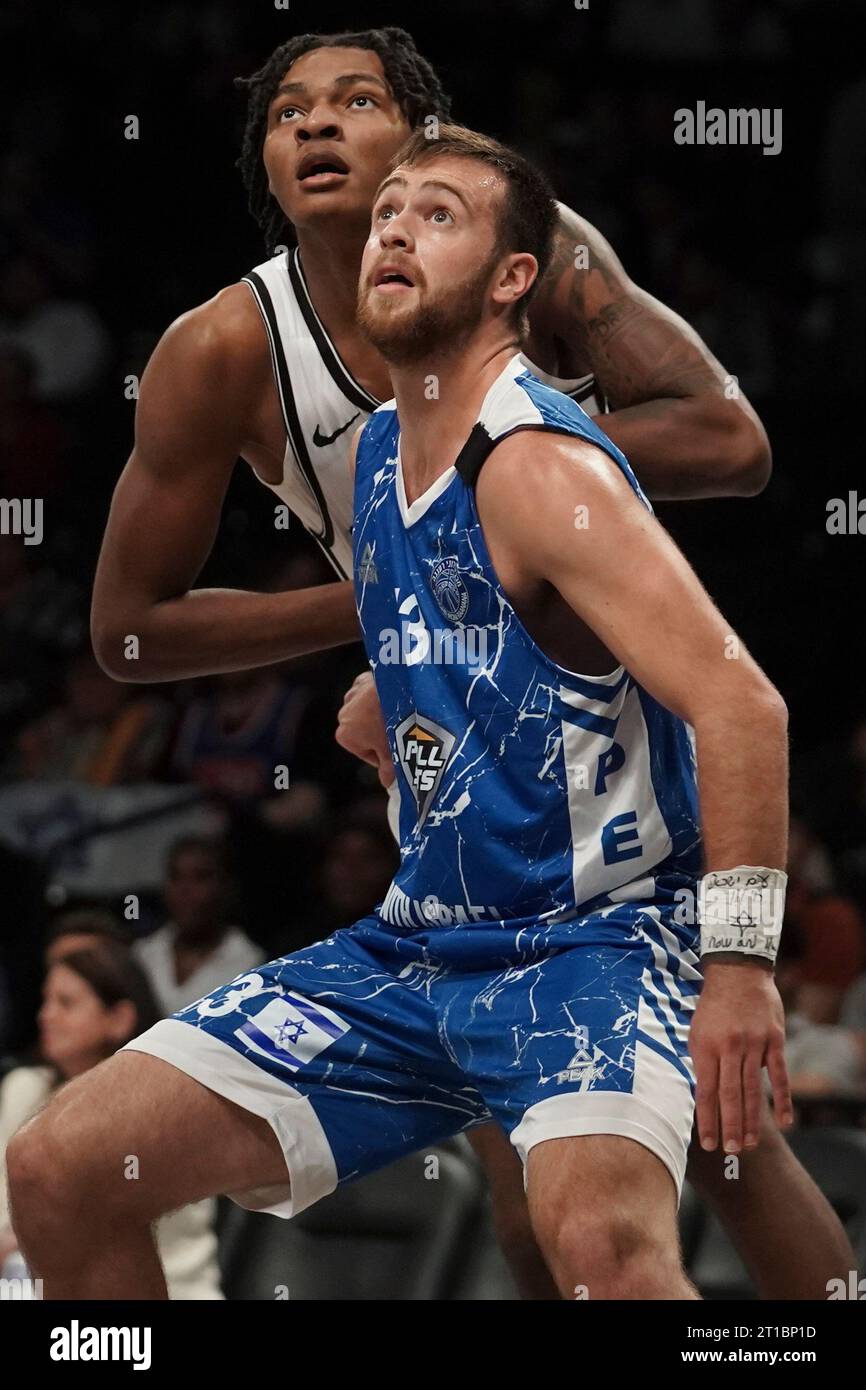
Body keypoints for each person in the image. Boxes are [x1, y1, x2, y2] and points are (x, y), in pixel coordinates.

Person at [84, 28, 850, 1298]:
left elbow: (729, 439)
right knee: (642, 1139)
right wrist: (388, 610)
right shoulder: (222, 348)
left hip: (582, 682)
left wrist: (505, 489)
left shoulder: (516, 251)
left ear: (428, 138)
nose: (317, 128)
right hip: (438, 704)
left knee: (641, 1145)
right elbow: (125, 633)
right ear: (266, 163)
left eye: (356, 102)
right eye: (288, 114)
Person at [1, 942, 223, 1298]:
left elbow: (99, 1226)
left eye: (66, 1003)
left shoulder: (165, 1104)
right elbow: (5, 1210)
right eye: (46, 1001)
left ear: (118, 1019)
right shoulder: (24, 1088)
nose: (46, 1015)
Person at [134, 836, 262, 1016]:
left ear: (226, 886)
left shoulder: (251, 965)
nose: (185, 889)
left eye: (200, 877)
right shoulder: (142, 955)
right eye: (175, 877)